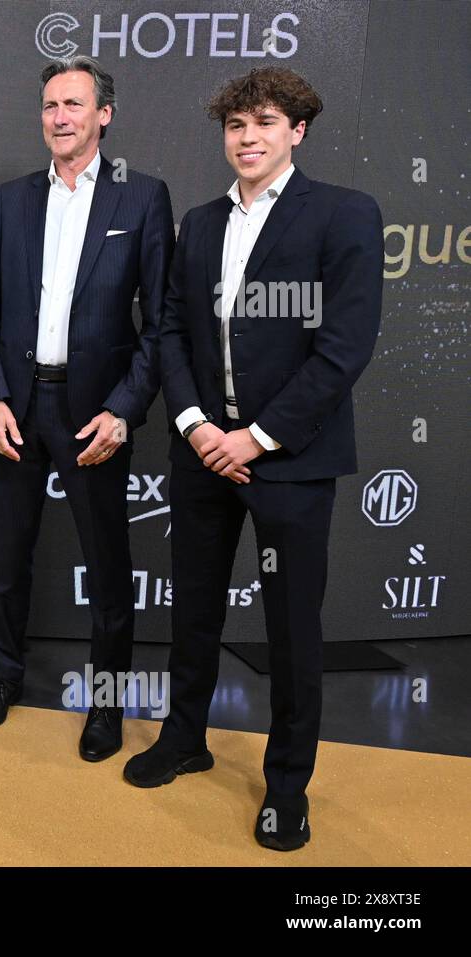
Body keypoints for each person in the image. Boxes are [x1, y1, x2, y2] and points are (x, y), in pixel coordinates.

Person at [125, 67, 383, 852]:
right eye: (236, 125)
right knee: (193, 607)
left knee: (292, 630)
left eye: (264, 122)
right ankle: (185, 736)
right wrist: (201, 426)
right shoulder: (200, 224)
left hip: (290, 461)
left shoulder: (343, 214)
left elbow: (343, 349)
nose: (248, 137)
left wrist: (258, 437)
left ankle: (286, 786)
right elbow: (169, 327)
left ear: (296, 130)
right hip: (202, 450)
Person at [0, 55, 174, 758]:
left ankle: (107, 704)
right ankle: (4, 677)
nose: (60, 117)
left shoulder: (142, 198)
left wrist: (124, 409)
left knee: (109, 567)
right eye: (51, 105)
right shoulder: (12, 198)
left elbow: (164, 323)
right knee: (6, 561)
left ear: (104, 115)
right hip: (18, 409)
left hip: (95, 413)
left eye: (74, 105)